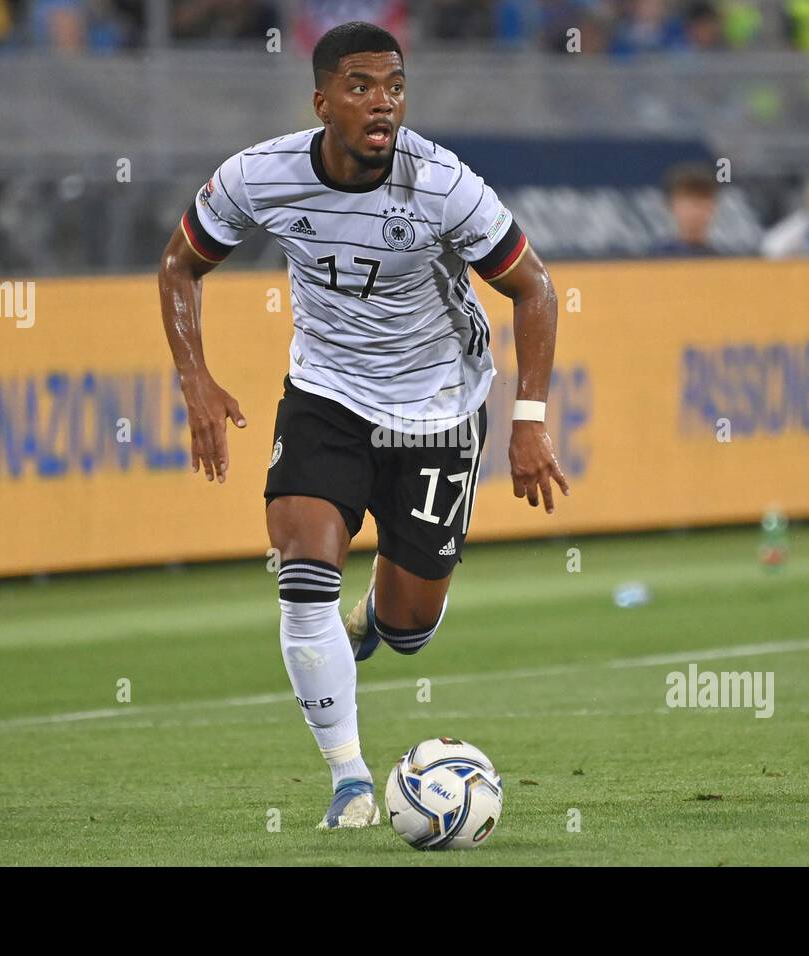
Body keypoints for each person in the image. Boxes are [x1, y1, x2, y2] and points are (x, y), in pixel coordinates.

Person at [156, 21, 568, 829]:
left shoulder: (444, 184)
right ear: (322, 101)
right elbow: (180, 265)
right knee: (304, 575)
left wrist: (528, 418)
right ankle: (348, 779)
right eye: (361, 87)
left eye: (395, 87)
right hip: (328, 398)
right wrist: (194, 378)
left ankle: (376, 622)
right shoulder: (258, 175)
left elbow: (536, 290)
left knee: (412, 625)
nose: (384, 103)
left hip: (438, 410)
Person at [651, 163, 721, 257]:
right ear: (670, 205)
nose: (695, 210)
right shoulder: (652, 259)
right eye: (687, 201)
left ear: (712, 206)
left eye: (701, 200)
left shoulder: (722, 262)